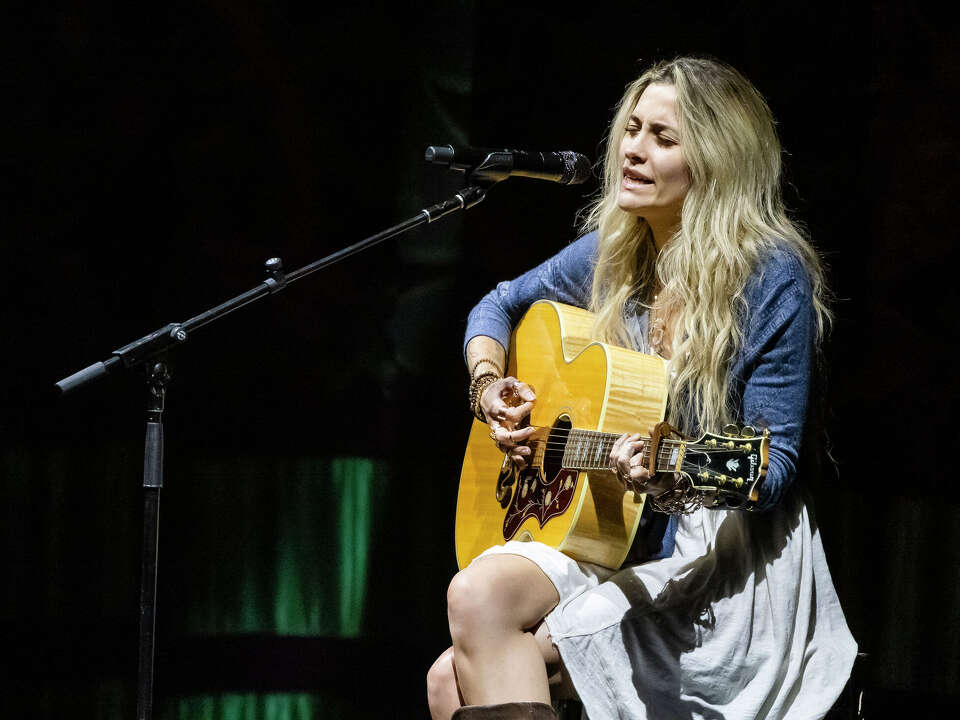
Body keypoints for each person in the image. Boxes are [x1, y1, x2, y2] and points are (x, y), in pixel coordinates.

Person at [427, 56, 857, 720]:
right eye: (632, 129)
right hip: (619, 530)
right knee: (456, 651)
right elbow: (498, 305)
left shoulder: (771, 274)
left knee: (459, 666)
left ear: (714, 160)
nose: (633, 149)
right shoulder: (618, 250)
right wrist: (490, 387)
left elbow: (771, 467)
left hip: (720, 549)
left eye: (663, 137)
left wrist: (670, 467)